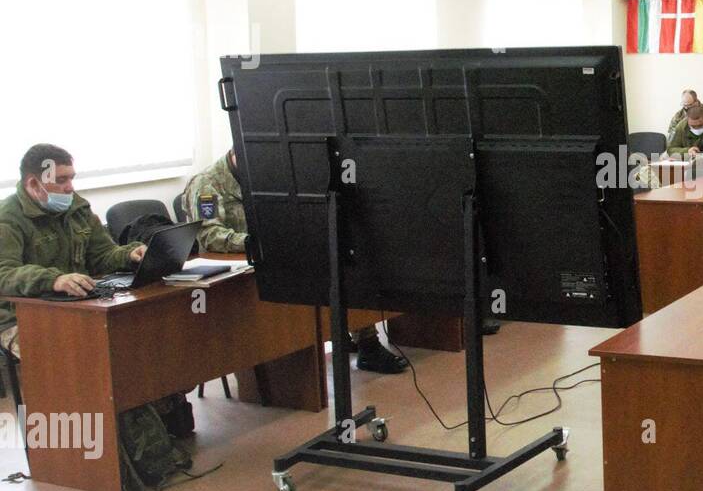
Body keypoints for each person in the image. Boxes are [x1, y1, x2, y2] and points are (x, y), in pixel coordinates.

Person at [177, 151, 409, 375]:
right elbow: (209, 235)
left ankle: (364, 342)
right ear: (236, 154)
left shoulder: (264, 177)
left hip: (273, 257)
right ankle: (361, 343)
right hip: (237, 267)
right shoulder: (207, 184)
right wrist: (255, 242)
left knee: (340, 265)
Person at [0, 144, 145, 359]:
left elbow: (101, 255)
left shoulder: (77, 208)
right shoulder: (7, 218)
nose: (70, 188)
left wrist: (129, 255)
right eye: (61, 180)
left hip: (76, 304)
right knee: (70, 350)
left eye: (71, 178)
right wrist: (54, 280)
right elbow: (4, 273)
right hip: (18, 316)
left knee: (136, 326)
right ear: (33, 183)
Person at [181, 149, 247, 253]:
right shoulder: (205, 183)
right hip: (221, 258)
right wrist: (251, 242)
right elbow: (210, 236)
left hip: (254, 256)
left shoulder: (256, 175)